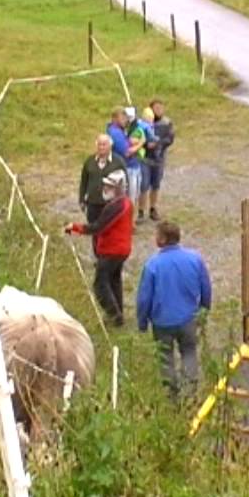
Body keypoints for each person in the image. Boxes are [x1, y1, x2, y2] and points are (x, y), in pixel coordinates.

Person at [137, 221, 211, 400]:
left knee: (165, 357)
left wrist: (142, 321)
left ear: (162, 239)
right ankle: (190, 390)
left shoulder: (152, 265)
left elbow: (144, 297)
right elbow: (206, 287)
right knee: (189, 352)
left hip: (162, 322)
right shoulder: (195, 259)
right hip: (188, 318)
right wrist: (204, 309)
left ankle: (172, 395)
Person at [65, 170, 134, 326]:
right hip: (121, 249)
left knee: (100, 285)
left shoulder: (117, 206)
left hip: (112, 251)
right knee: (114, 281)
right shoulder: (125, 203)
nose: (105, 189)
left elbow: (97, 227)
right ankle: (118, 314)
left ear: (119, 188)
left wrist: (74, 227)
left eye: (110, 186)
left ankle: (114, 316)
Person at [78, 133, 127, 225]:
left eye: (104, 144)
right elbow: (84, 182)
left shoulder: (118, 162)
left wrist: (122, 204)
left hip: (110, 205)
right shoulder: (90, 161)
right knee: (94, 231)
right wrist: (81, 200)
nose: (101, 147)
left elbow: (125, 184)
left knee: (109, 232)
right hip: (93, 204)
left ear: (110, 145)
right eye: (99, 144)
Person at [146, 99, 175, 221]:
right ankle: (140, 210)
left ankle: (153, 208)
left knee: (156, 184)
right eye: (156, 108)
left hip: (159, 158)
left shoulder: (167, 123)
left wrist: (158, 143)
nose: (159, 110)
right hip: (145, 158)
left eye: (161, 108)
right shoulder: (144, 122)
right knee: (142, 186)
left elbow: (170, 139)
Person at [128, 106, 157, 222]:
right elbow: (150, 138)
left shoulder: (140, 125)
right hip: (141, 156)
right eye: (150, 118)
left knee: (146, 185)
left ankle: (139, 212)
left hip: (144, 155)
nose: (151, 121)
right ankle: (138, 212)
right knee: (141, 187)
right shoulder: (144, 126)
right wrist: (153, 140)